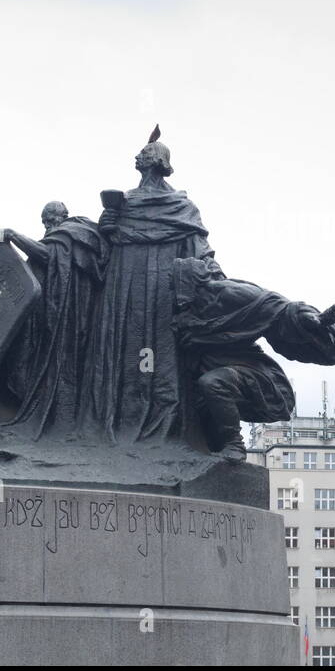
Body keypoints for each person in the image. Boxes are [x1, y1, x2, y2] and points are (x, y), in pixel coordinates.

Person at [83, 128, 215, 444]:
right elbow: (103, 249)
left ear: (156, 161)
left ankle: (160, 426)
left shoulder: (181, 206)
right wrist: (107, 228)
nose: (137, 156)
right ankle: (114, 423)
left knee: (158, 356)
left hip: (161, 290)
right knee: (121, 353)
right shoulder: (124, 203)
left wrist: (210, 278)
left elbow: (199, 248)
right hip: (123, 285)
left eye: (143, 153)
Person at [171, 257, 335, 460]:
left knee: (213, 383)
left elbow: (281, 309)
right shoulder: (186, 309)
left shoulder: (228, 293)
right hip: (210, 375)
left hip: (253, 373)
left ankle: (235, 445)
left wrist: (317, 319)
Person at [0, 201, 106, 438]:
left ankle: (54, 422)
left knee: (59, 368)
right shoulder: (62, 237)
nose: (47, 226)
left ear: (60, 217)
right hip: (48, 316)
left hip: (67, 317)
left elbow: (48, 255)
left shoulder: (69, 235)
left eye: (49, 220)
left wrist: (12, 235)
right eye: (45, 222)